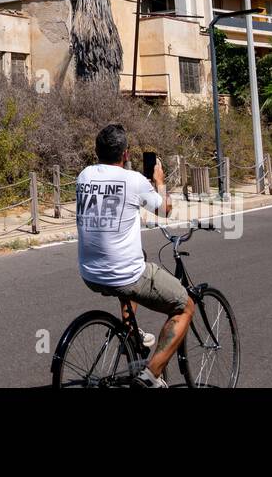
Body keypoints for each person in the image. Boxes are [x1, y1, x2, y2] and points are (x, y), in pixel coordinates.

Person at [75, 123, 194, 388]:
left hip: (90, 273)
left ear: (96, 151)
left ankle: (130, 333)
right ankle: (151, 375)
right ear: (126, 154)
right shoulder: (134, 180)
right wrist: (159, 182)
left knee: (136, 255)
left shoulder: (84, 176)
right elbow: (165, 210)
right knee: (185, 305)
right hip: (123, 275)